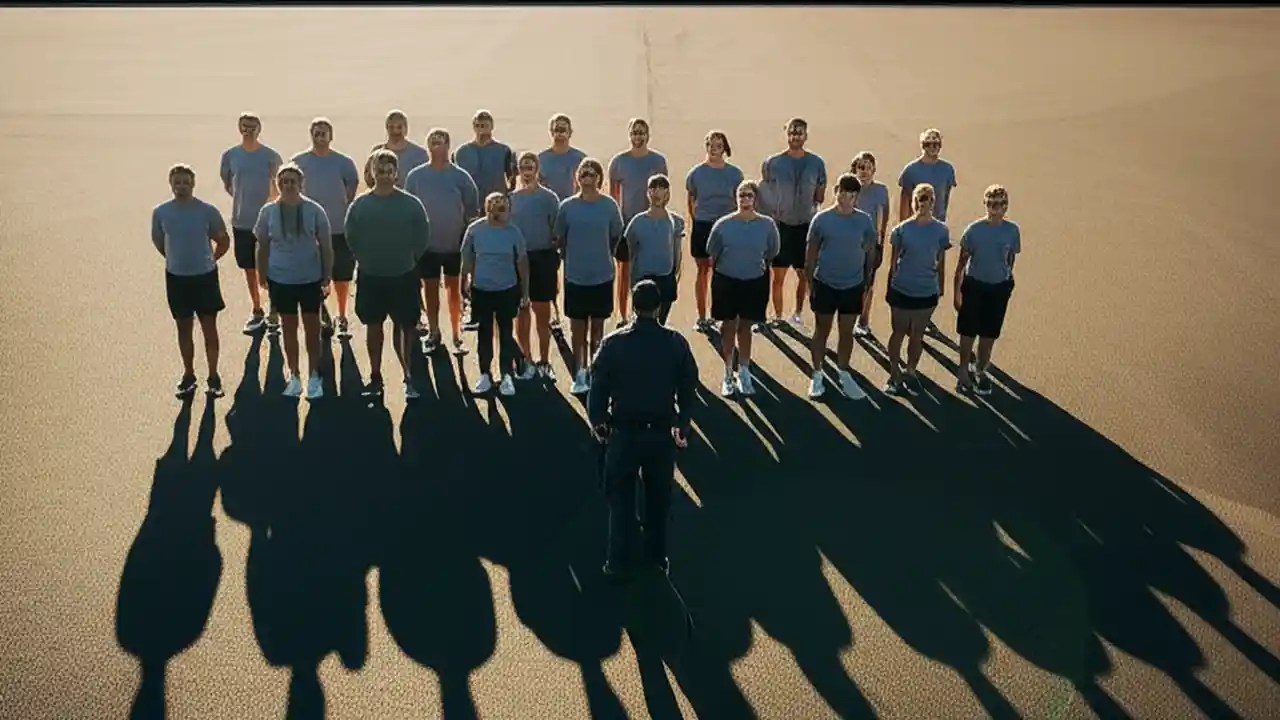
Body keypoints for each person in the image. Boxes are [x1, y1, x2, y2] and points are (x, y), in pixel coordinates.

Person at [588, 279, 698, 579]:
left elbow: (597, 389)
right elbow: (689, 385)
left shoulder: (613, 344)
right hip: (660, 433)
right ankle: (657, 559)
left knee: (620, 501)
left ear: (633, 307)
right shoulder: (675, 343)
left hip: (624, 432)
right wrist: (684, 421)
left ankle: (617, 562)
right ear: (659, 307)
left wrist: (598, 422)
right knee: (658, 500)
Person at [345, 149, 431, 400]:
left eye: (388, 171)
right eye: (379, 170)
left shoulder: (410, 204)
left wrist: (410, 259)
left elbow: (422, 236)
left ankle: (408, 376)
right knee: (374, 325)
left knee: (405, 325)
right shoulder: (360, 205)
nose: (383, 175)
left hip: (403, 274)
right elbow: (352, 237)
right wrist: (365, 258)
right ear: (372, 173)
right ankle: (375, 376)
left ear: (396, 173)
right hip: (372, 275)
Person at [254, 164, 334, 400]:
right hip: (281, 278)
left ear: (301, 184)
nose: (288, 185)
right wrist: (261, 273)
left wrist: (326, 275)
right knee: (288, 328)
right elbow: (262, 245)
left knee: (312, 328)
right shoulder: (268, 212)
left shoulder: (314, 210)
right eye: (284, 181)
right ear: (278, 184)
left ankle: (314, 375)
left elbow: (326, 246)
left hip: (309, 278)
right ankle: (295, 375)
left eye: (293, 181)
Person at [151, 164, 230, 399]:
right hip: (177, 278)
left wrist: (210, 259)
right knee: (183, 328)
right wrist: (176, 259)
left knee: (209, 327)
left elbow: (223, 239)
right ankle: (188, 374)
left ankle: (214, 376)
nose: (181, 187)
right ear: (171, 184)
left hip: (204, 277)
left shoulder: (207, 211)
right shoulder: (161, 212)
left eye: (186, 182)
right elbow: (159, 242)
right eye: (177, 182)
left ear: (193, 184)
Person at [403, 127, 480, 356]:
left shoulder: (460, 176)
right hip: (427, 246)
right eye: (433, 142)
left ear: (448, 145)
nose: (437, 145)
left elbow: (471, 208)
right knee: (429, 290)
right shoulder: (415, 176)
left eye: (441, 141)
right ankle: (434, 332)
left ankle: (457, 334)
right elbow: (410, 209)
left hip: (454, 245)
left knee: (454, 290)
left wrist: (465, 234)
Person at [804, 173, 878, 401]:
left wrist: (867, 283)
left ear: (857, 196)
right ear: (836, 191)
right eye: (843, 192)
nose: (847, 198)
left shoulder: (864, 221)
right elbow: (811, 255)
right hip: (825, 283)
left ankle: (843, 372)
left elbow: (870, 253)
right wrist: (810, 284)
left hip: (853, 285)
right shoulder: (822, 219)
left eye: (852, 194)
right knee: (822, 331)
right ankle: (817, 374)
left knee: (846, 332)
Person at [554, 158, 624, 396]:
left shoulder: (609, 206)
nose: (587, 177)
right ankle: (580, 371)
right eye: (583, 173)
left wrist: (603, 254)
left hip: (602, 276)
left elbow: (615, 236)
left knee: (597, 331)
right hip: (575, 277)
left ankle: (595, 369)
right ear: (578, 178)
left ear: (599, 178)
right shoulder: (567, 207)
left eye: (592, 173)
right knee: (577, 331)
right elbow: (560, 239)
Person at [707, 180, 781, 397]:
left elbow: (772, 251)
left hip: (754, 281)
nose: (745, 199)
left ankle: (745, 371)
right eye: (741, 195)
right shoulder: (723, 224)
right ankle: (728, 372)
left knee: (745, 327)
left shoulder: (767, 225)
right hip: (726, 281)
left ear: (755, 198)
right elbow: (714, 252)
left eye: (749, 195)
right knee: (728, 326)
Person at [291, 117, 359, 340]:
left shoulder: (343, 162)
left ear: (331, 136)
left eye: (324, 133)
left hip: (338, 228)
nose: (320, 137)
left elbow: (352, 186)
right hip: (308, 230)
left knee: (341, 275)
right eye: (316, 133)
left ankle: (342, 316)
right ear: (311, 134)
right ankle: (322, 313)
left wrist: (339, 207)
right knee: (312, 274)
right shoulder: (298, 161)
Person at [884, 183, 951, 396]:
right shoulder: (901, 230)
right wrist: (889, 288)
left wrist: (941, 285)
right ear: (914, 202)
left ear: (933, 202)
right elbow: (893, 262)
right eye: (920, 199)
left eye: (928, 199)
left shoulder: (941, 230)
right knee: (899, 332)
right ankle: (894, 371)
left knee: (917, 335)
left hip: (926, 290)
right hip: (902, 287)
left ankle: (910, 371)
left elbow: (941, 260)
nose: (923, 203)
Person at [460, 192, 531, 397]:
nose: (499, 212)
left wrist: (525, 292)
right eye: (495, 207)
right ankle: (484, 373)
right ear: (487, 208)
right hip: (481, 289)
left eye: (503, 208)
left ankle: (507, 375)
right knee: (484, 332)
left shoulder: (513, 232)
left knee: (506, 332)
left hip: (507, 289)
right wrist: (464, 284)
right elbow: (467, 258)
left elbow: (522, 263)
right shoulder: (475, 230)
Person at [219, 111, 283, 336]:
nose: (248, 130)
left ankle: (274, 310)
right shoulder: (230, 156)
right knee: (249, 267)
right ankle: (257, 309)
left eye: (252, 126)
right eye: (245, 126)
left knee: (272, 265)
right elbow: (228, 183)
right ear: (239, 128)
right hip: (242, 220)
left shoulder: (271, 156)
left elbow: (280, 186)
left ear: (259, 129)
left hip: (268, 220)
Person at [953, 185, 1020, 395]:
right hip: (974, 285)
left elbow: (1011, 258)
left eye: (999, 204)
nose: (994, 208)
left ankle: (981, 369)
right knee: (968, 331)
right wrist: (957, 292)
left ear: (1006, 206)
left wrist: (1007, 280)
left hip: (998, 288)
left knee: (989, 333)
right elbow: (961, 263)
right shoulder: (974, 231)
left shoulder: (1012, 231)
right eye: (990, 204)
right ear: (985, 205)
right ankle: (963, 370)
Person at [760, 117, 827, 329]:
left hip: (805, 225)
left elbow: (820, 195)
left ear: (806, 136)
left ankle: (797, 312)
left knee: (804, 273)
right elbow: (766, 190)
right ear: (786, 134)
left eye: (799, 133)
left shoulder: (816, 163)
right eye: (791, 132)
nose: (795, 136)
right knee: (777, 273)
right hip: (782, 225)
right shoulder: (773, 163)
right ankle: (778, 316)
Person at [898, 128, 957, 338]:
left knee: (934, 268)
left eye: (936, 144)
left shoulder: (947, 169)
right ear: (922, 145)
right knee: (910, 266)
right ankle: (907, 310)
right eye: (928, 144)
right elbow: (904, 201)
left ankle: (925, 312)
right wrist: (904, 229)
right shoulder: (911, 170)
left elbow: (946, 197)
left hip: (936, 228)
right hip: (913, 227)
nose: (932, 148)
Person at [608, 118, 668, 322]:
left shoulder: (658, 161)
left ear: (648, 135)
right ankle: (623, 315)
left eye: (641, 132)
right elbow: (614, 195)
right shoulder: (618, 162)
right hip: (626, 225)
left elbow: (663, 191)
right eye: (634, 132)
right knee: (624, 271)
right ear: (629, 135)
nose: (638, 137)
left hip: (651, 224)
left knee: (649, 270)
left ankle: (651, 313)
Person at [510, 151, 562, 380]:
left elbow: (556, 231)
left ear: (537, 169)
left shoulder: (550, 199)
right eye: (523, 167)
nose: (527, 171)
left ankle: (544, 360)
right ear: (518, 170)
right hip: (519, 259)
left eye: (530, 167)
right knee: (521, 311)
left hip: (543, 258)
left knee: (542, 312)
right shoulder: (511, 199)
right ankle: (526, 359)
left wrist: (551, 252)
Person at [685, 130, 744, 333]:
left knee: (723, 272)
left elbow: (740, 202)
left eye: (718, 145)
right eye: (711, 144)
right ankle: (702, 317)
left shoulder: (735, 174)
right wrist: (699, 220)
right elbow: (691, 201)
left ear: (724, 148)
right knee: (703, 271)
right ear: (706, 146)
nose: (714, 149)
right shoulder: (696, 173)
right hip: (703, 225)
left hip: (726, 227)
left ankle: (722, 315)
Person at [624, 174, 686, 326]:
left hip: (665, 279)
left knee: (661, 324)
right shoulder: (637, 222)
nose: (657, 193)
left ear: (667, 193)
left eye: (662, 188)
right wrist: (631, 284)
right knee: (642, 324)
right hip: (643, 279)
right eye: (653, 188)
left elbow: (677, 252)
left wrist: (675, 275)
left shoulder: (676, 222)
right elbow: (629, 254)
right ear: (648, 193)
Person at [849, 151, 890, 337]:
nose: (864, 171)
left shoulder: (881, 190)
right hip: (849, 244)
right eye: (860, 167)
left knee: (868, 283)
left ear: (874, 170)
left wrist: (880, 242)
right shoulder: (849, 189)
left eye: (868, 167)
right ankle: (848, 317)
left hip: (870, 245)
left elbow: (884, 217)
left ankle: (863, 320)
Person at [451, 109, 517, 198]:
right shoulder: (460, 152)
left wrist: (507, 196)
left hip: (496, 202)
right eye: (477, 125)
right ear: (473, 127)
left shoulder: (504, 151)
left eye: (484, 126)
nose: (481, 129)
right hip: (470, 202)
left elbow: (513, 178)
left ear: (492, 126)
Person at [363, 109, 428, 190]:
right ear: (386, 129)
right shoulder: (376, 154)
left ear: (406, 129)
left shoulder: (419, 155)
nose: (395, 131)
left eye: (399, 127)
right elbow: (369, 181)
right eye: (391, 127)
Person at [537, 113, 587, 205]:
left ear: (570, 133)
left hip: (574, 207)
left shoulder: (581, 159)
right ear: (551, 132)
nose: (560, 133)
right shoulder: (540, 160)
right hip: (547, 207)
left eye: (563, 130)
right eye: (557, 130)